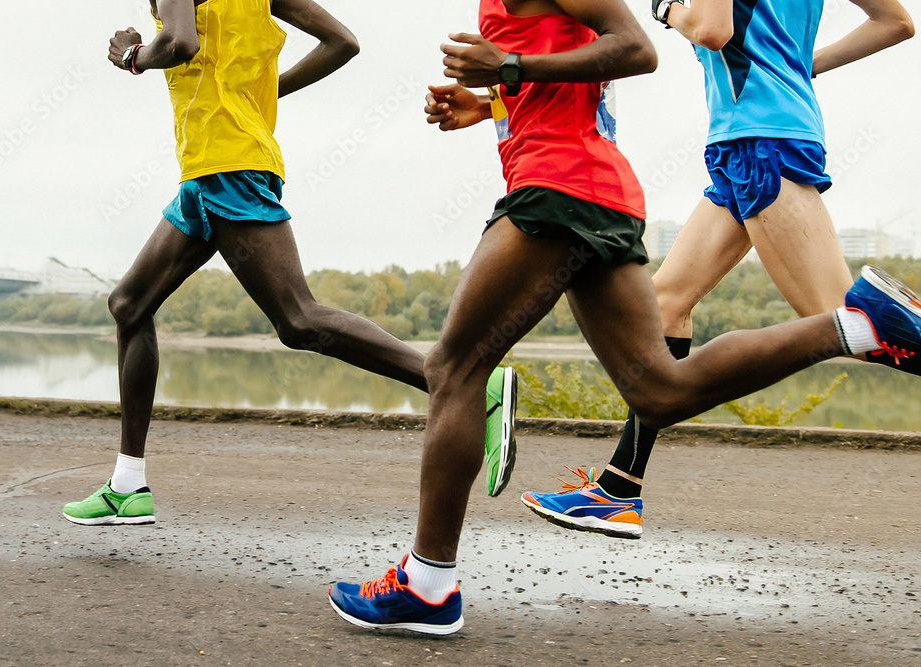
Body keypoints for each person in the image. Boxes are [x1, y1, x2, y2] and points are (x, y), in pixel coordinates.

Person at [326, 0, 921, 635]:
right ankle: (626, 484)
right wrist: (497, 96)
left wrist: (518, 61)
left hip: (580, 183)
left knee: (455, 368)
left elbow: (651, 44)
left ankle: (427, 584)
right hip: (614, 183)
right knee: (659, 387)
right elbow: (575, 80)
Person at [61, 0, 518, 527]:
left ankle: (464, 385)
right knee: (129, 304)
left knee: (298, 319)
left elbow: (179, 42)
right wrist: (259, 93)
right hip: (213, 172)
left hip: (225, 169)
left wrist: (134, 56)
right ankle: (128, 486)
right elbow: (342, 43)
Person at [522, 0, 915, 539]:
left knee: (845, 322)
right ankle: (617, 490)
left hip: (760, 138)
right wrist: (801, 67)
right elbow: (896, 21)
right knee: (665, 303)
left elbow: (710, 29)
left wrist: (665, 10)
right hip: (753, 136)